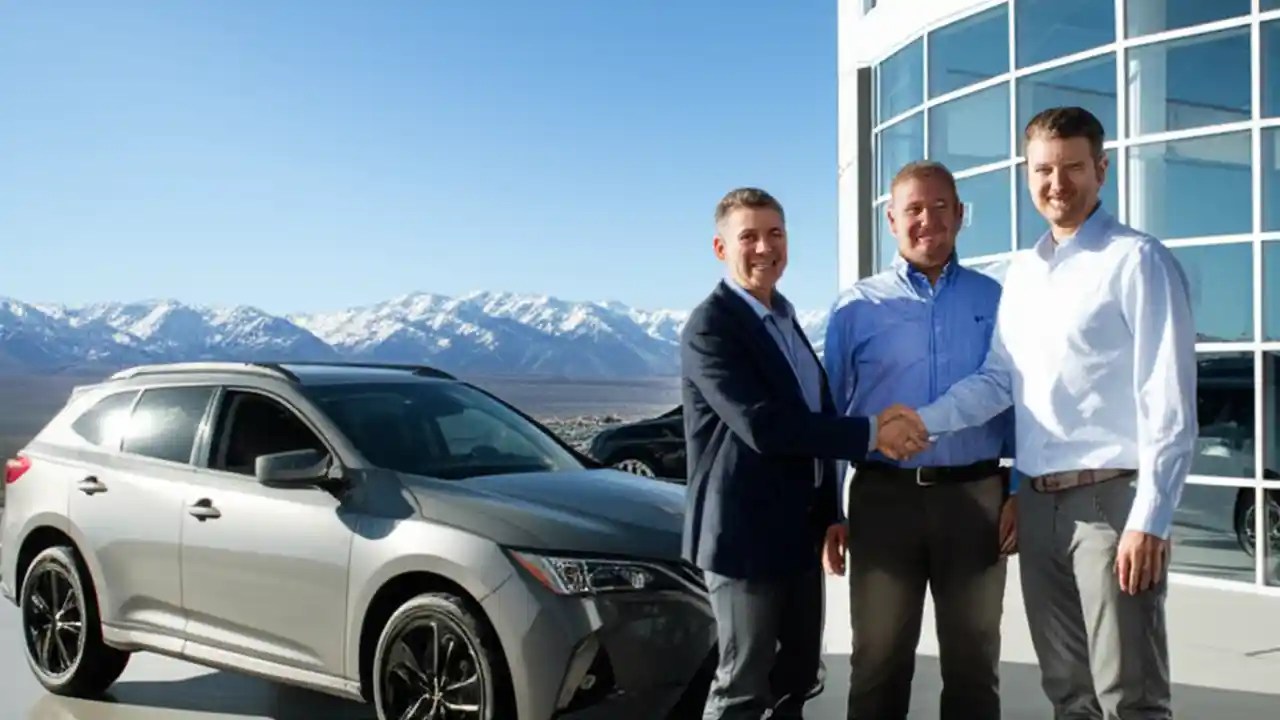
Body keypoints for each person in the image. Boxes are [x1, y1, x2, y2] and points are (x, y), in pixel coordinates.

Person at [886, 106, 1198, 719]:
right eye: (1044, 170)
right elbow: (998, 380)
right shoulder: (1023, 274)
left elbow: (1169, 400)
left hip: (1112, 508)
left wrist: (1151, 517)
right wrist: (925, 421)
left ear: (1101, 170)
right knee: (1069, 694)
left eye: (1073, 168)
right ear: (1027, 176)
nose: (1058, 183)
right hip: (1036, 505)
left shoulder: (1137, 262)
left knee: (1129, 696)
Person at [681, 187, 917, 719]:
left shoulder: (785, 321)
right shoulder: (712, 326)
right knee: (741, 687)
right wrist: (873, 433)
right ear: (721, 249)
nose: (764, 248)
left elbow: (818, 418)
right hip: (742, 541)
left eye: (775, 234)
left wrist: (832, 514)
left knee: (795, 681)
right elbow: (766, 427)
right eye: (749, 237)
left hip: (797, 539)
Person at [821, 159, 1017, 720]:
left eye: (939, 207)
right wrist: (828, 510)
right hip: (884, 502)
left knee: (975, 666)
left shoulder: (997, 299)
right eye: (913, 209)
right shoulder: (856, 307)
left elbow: (1019, 399)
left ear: (960, 215)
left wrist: (1021, 487)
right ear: (890, 219)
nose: (927, 220)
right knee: (878, 663)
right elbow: (833, 412)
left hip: (976, 499)